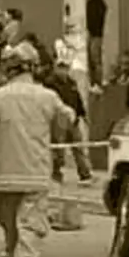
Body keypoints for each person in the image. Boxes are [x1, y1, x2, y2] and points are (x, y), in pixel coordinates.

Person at [0, 42, 75, 257]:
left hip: (2, 177)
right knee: (30, 228)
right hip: (35, 174)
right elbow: (67, 120)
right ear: (32, 67)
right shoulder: (46, 97)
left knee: (10, 227)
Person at [45, 57, 93, 187]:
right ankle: (56, 174)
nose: (63, 71)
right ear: (56, 68)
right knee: (58, 150)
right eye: (60, 67)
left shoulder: (71, 82)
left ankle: (85, 174)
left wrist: (83, 115)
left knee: (78, 147)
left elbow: (77, 99)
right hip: (58, 121)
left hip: (74, 120)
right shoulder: (50, 83)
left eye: (65, 67)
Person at [85, 0, 107, 87]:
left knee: (95, 58)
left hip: (95, 34)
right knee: (93, 59)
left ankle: (98, 81)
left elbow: (94, 20)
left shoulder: (95, 4)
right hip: (95, 34)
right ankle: (95, 81)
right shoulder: (99, 3)